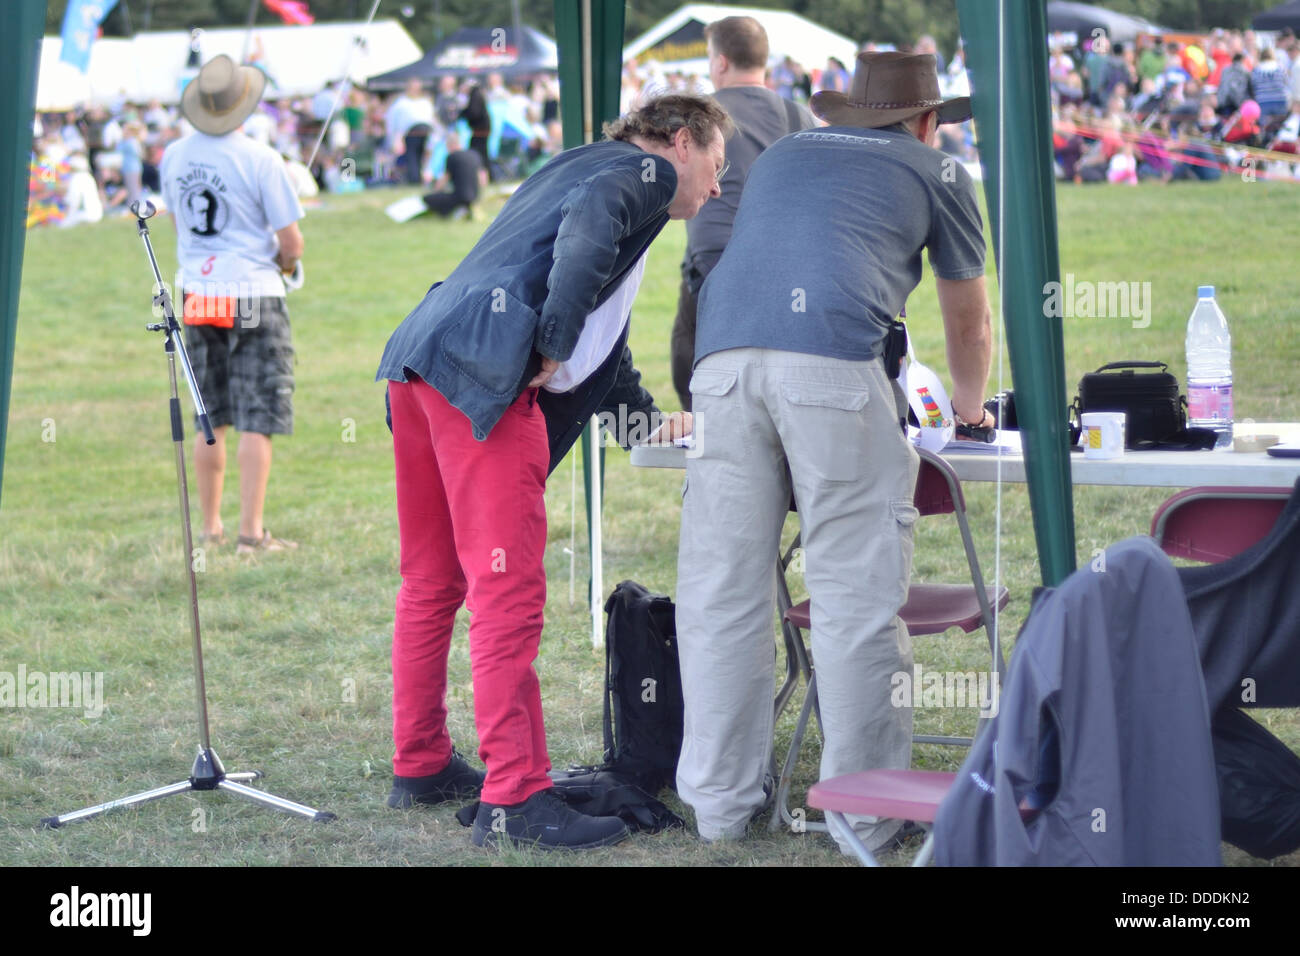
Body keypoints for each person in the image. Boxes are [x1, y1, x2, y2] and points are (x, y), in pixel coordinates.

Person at [374, 94, 733, 850]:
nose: (717, 188)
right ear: (680, 142)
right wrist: (550, 345)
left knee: (433, 579)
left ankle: (422, 761)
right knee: (507, 592)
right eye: (717, 165)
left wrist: (641, 417)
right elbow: (587, 242)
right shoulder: (640, 172)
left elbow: (604, 336)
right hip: (487, 378)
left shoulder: (581, 163)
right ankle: (515, 796)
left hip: (425, 358)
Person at [674, 51, 992, 854]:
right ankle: (866, 812)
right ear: (927, 121)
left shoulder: (785, 152)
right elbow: (969, 322)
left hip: (721, 366)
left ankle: (718, 806)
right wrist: (968, 406)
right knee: (855, 598)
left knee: (721, 593)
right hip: (834, 370)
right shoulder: (942, 171)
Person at [161, 54, 305, 554]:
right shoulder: (261, 158)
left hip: (198, 291)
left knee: (210, 414)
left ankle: (210, 527)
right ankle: (251, 533)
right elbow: (292, 245)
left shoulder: (173, 156)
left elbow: (179, 225)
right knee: (257, 412)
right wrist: (285, 265)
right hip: (252, 293)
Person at [671, 16, 815, 411]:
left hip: (712, 271)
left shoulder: (697, 116)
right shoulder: (797, 116)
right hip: (785, 276)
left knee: (703, 397)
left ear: (720, 63)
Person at [420, 131, 485, 218]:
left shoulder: (452, 157)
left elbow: (444, 179)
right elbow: (482, 178)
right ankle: (466, 209)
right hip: (475, 197)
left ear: (450, 145)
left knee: (427, 199)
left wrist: (435, 192)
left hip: (459, 197)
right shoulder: (474, 154)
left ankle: (455, 212)